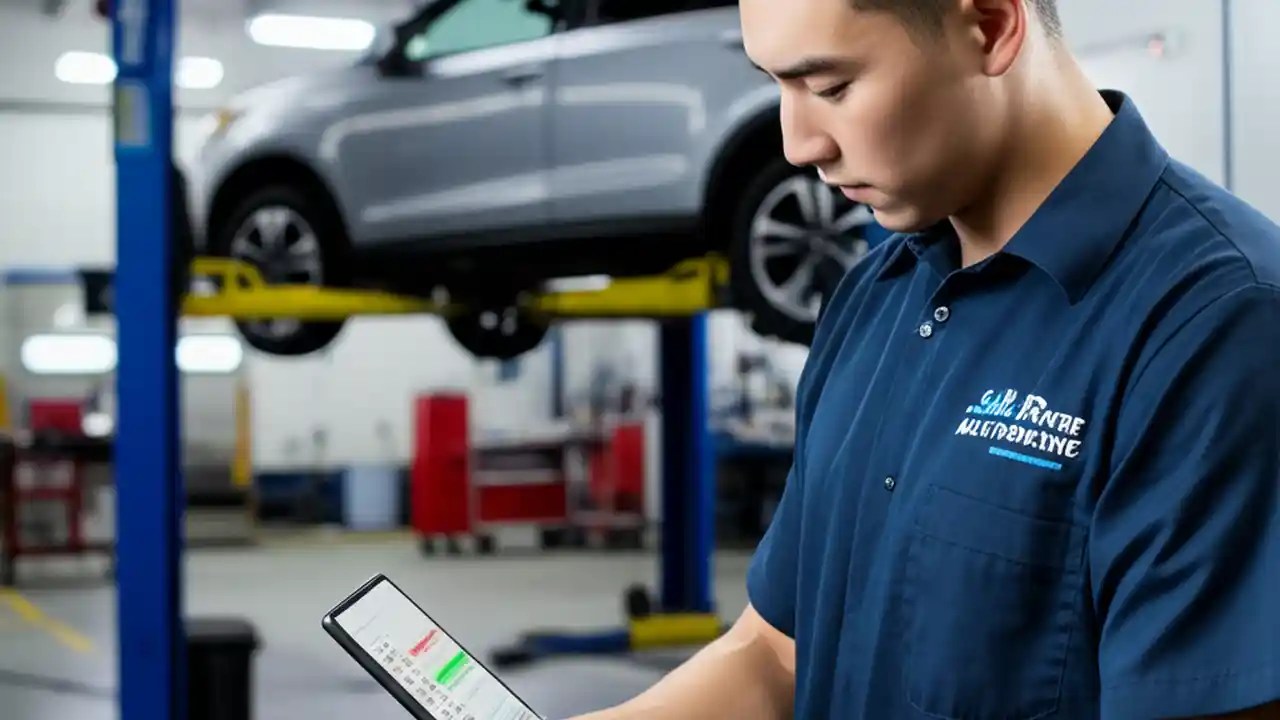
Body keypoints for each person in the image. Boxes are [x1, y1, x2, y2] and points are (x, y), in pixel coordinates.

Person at [569, 0, 1280, 718]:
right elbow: (776, 656)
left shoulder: (1215, 327)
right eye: (775, 84)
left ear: (992, 27)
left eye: (830, 88)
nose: (797, 143)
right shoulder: (874, 299)